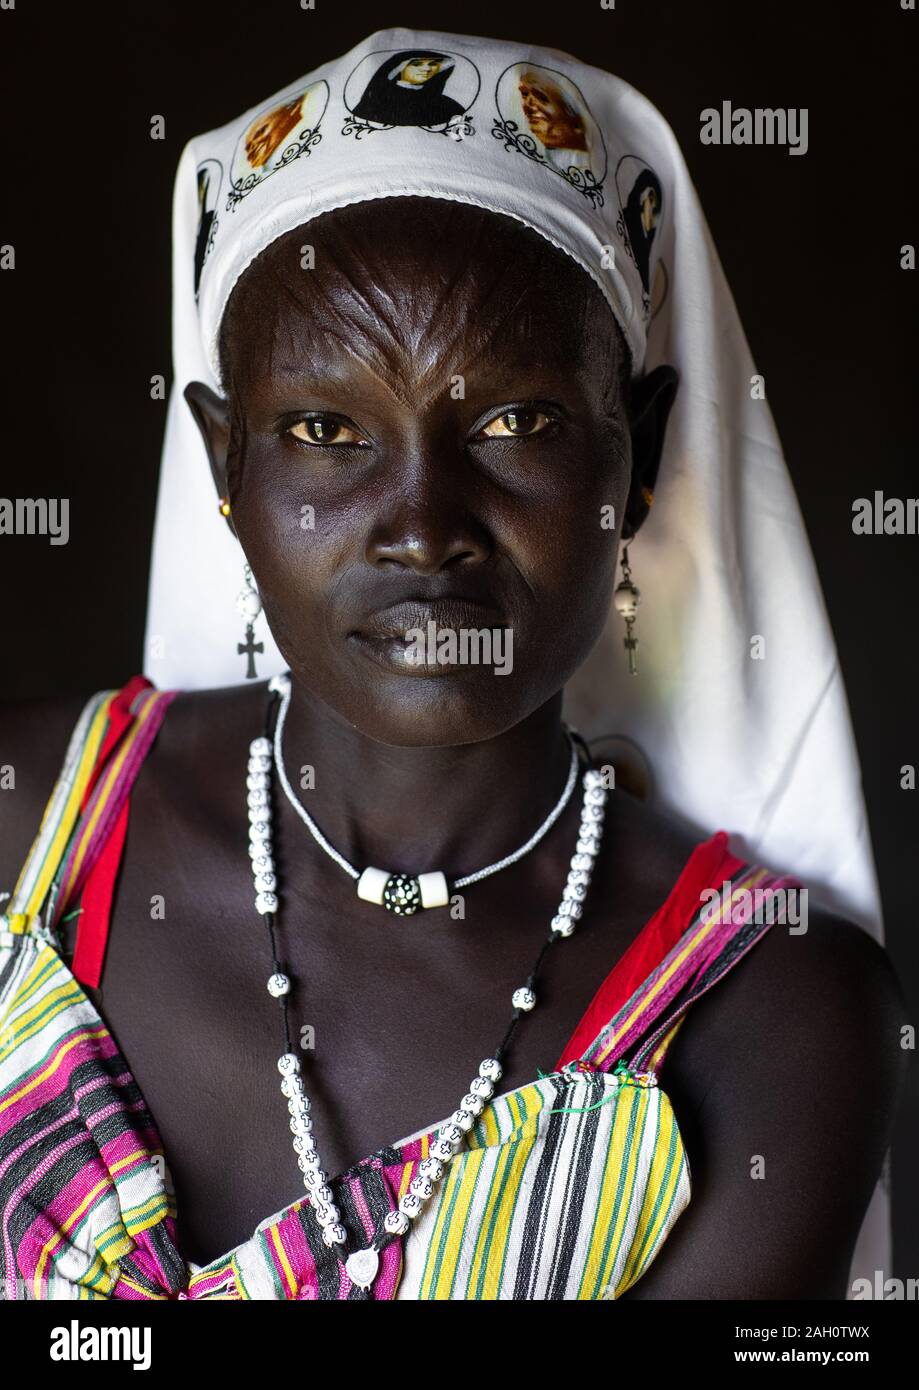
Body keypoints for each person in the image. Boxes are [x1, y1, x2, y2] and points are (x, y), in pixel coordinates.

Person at [0, 27, 907, 1302]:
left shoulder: (770, 1019)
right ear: (226, 466)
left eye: (512, 422)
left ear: (632, 456)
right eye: (325, 430)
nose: (424, 524)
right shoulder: (25, 821)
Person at [350, 49, 466, 127]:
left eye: (433, 66)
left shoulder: (448, 106)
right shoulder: (373, 101)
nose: (426, 69)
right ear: (399, 68)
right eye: (417, 65)